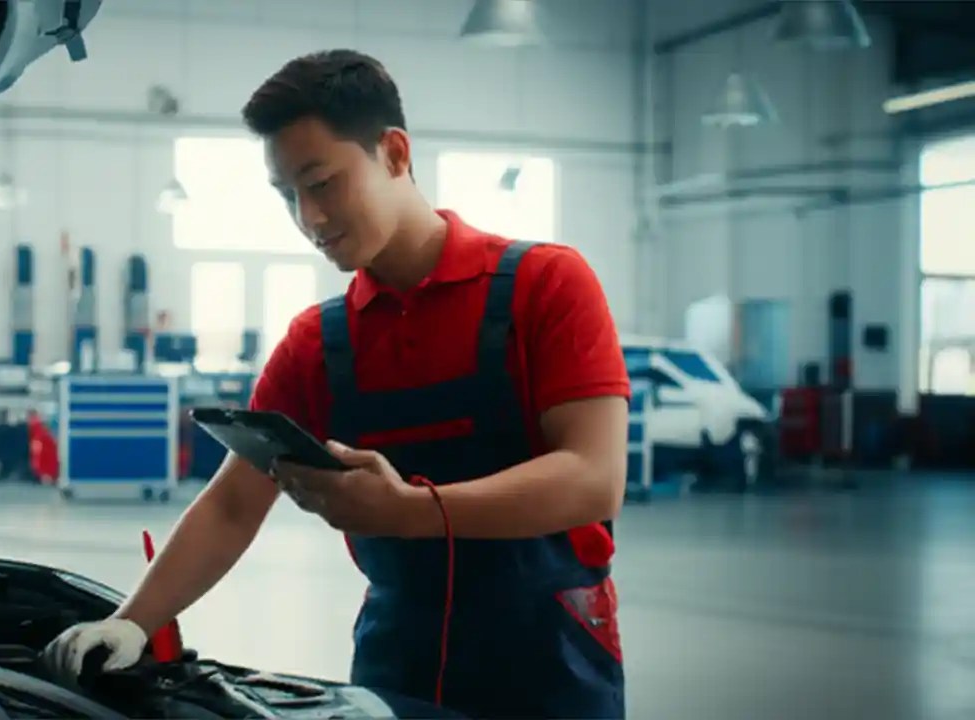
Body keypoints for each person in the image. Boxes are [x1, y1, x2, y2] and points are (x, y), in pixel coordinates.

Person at [42, 49, 631, 719]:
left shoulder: (545, 286)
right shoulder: (317, 343)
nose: (308, 218)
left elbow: (592, 477)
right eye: (286, 195)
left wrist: (409, 511)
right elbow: (235, 502)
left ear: (396, 153)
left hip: (549, 655)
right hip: (395, 656)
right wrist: (133, 621)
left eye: (321, 182)